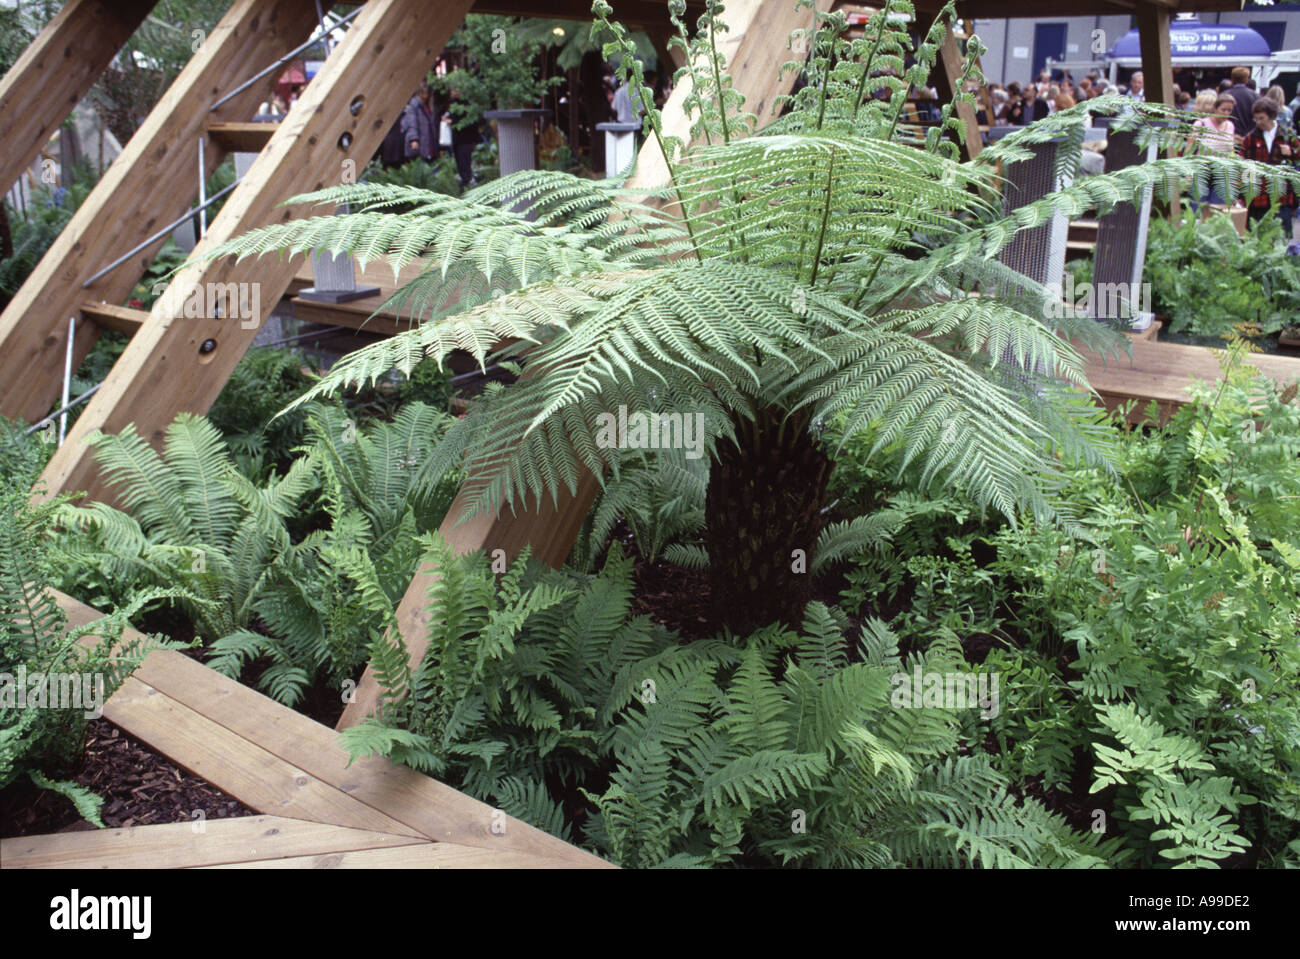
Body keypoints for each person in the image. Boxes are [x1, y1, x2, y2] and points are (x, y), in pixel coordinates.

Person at [1238, 97, 1299, 239]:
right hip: (1257, 196)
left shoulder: (1287, 134)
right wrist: (1241, 194)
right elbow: (1242, 167)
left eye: (1262, 118)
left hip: (1281, 195)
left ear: (1272, 116)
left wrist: (1292, 152)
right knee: (1256, 237)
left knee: (1281, 236)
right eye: (1256, 119)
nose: (1259, 122)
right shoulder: (1250, 138)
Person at [1188, 93, 1236, 207]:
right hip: (1202, 170)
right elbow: (1189, 150)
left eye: (1229, 110)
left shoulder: (1230, 126)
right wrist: (1188, 174)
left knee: (1217, 210)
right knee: (1197, 208)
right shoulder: (1201, 124)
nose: (1226, 113)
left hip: (1222, 172)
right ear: (1215, 108)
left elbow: (1231, 151)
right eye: (1223, 110)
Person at [401, 82, 436, 162]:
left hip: (428, 142)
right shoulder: (414, 106)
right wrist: (414, 139)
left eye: (426, 93)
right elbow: (412, 124)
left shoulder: (426, 106)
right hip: (419, 143)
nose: (425, 96)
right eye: (423, 93)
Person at [1225, 66, 1259, 141]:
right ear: (1246, 80)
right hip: (1249, 137)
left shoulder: (1225, 96)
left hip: (1230, 137)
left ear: (1232, 79)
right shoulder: (1255, 96)